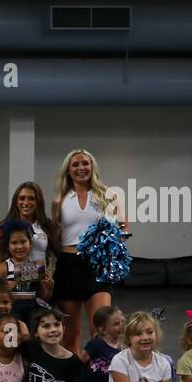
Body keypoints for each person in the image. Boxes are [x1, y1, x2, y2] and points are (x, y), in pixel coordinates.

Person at [50, 148, 130, 349]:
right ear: (68, 170)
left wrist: (108, 241)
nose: (81, 168)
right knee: (71, 334)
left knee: (102, 329)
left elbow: (125, 228)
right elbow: (55, 238)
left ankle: (99, 377)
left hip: (97, 266)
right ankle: (75, 380)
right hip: (68, 265)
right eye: (75, 164)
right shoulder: (59, 200)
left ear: (92, 167)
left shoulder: (108, 195)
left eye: (85, 163)